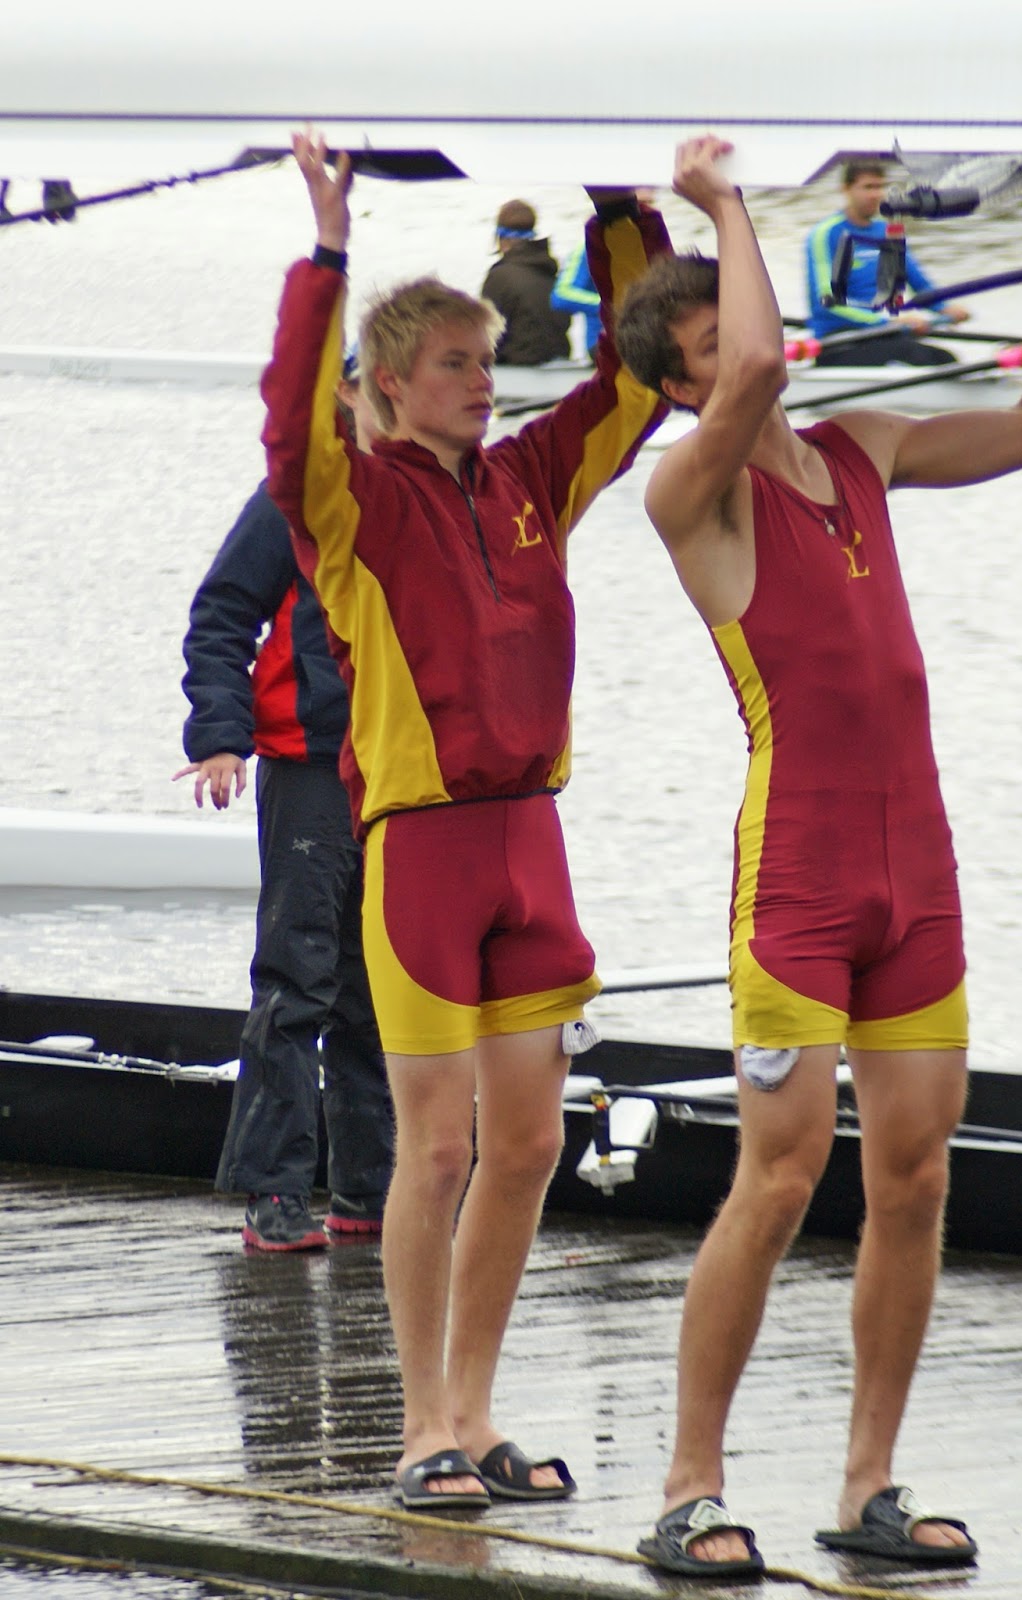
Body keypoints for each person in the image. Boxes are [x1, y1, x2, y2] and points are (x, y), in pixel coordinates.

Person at [615, 134, 1022, 1575]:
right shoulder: (691, 497)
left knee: (914, 1178)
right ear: (682, 380)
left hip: (914, 883)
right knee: (780, 1177)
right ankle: (686, 1485)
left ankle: (868, 1484)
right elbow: (748, 382)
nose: (755, 344)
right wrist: (724, 202)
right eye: (718, 339)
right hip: (793, 884)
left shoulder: (863, 452)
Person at [260, 129, 668, 1508]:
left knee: (535, 1144)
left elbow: (636, 380)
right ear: (388, 383)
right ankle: (422, 1421)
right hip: (423, 855)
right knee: (435, 1149)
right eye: (456, 364)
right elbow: (288, 420)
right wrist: (327, 249)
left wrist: (621, 201)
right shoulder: (351, 503)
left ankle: (481, 1408)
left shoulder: (532, 483)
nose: (485, 386)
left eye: (490, 364)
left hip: (532, 844)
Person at [175, 350, 394, 1253]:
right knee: (297, 981)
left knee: (379, 992)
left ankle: (370, 1194)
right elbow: (222, 612)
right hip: (307, 765)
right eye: (370, 382)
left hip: (403, 778)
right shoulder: (292, 492)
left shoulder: (432, 491)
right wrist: (219, 735)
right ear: (345, 392)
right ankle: (271, 1193)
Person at [805, 160, 970, 365]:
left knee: (945, 358)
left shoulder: (887, 232)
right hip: (838, 340)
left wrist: (944, 308)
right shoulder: (826, 234)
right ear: (846, 190)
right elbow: (827, 303)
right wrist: (888, 322)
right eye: (867, 187)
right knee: (916, 355)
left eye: (879, 186)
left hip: (879, 334)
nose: (875, 195)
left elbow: (921, 286)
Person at [480, 198, 572, 365]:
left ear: (501, 239)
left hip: (518, 366)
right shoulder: (552, 272)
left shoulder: (499, 276)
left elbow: (486, 336)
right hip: (559, 361)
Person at [550, 241, 602, 360]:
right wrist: (611, 305)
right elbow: (561, 295)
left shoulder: (649, 240)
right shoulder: (588, 248)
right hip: (602, 346)